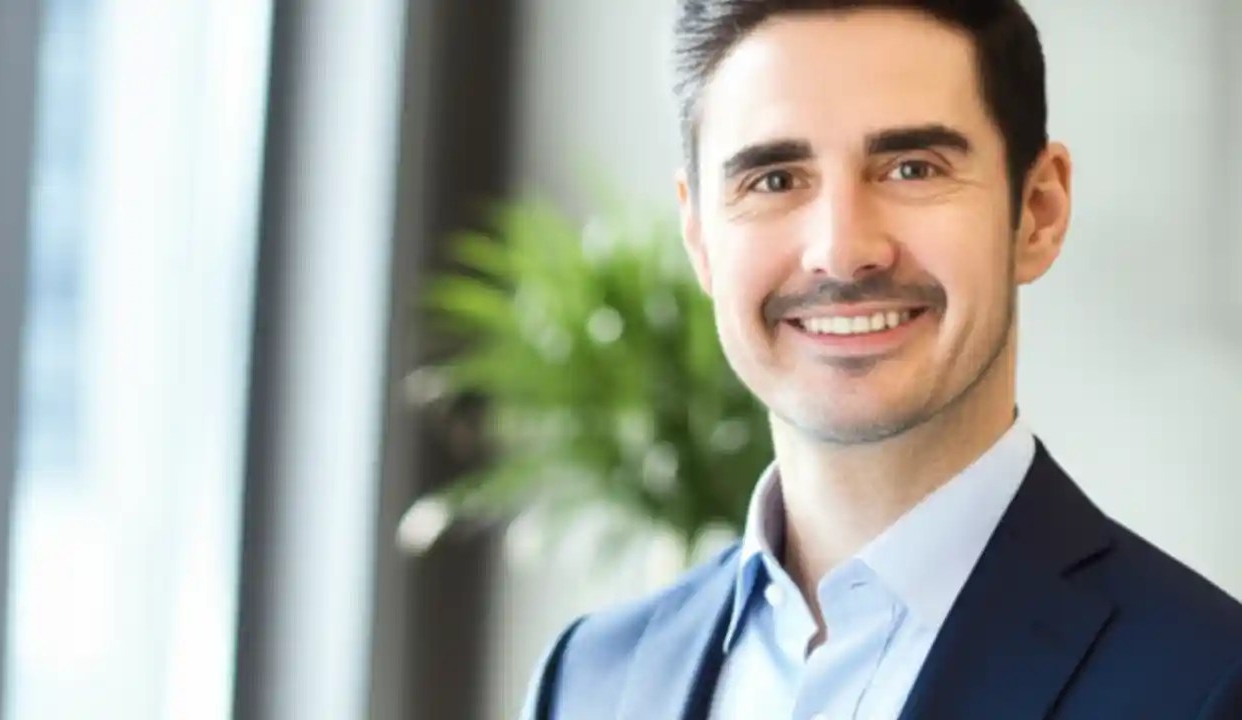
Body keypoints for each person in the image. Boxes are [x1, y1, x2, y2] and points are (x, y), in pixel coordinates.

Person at [519, 1, 1242, 718]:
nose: (842, 250)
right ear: (700, 235)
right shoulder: (585, 682)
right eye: (775, 179)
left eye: (912, 169)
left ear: (1038, 212)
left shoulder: (1207, 682)